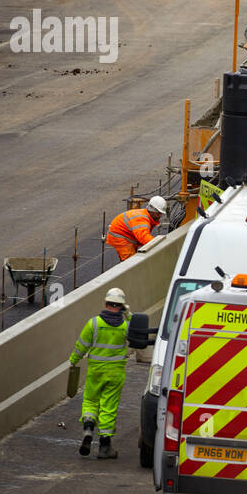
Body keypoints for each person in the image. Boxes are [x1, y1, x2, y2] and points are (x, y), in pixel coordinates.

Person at [68, 287, 133, 459]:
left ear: (105, 303)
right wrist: (128, 313)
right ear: (121, 306)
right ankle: (105, 447)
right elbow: (137, 331)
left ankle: (88, 428)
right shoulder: (125, 326)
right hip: (116, 373)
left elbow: (81, 345)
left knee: (90, 400)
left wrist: (74, 360)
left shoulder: (94, 323)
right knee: (108, 407)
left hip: (96, 371)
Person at [105, 196, 166, 261]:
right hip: (120, 237)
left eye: (161, 214)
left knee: (132, 259)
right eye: (158, 213)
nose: (160, 216)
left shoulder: (145, 216)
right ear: (151, 210)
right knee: (130, 262)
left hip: (126, 235)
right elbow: (144, 237)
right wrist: (159, 245)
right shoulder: (142, 219)